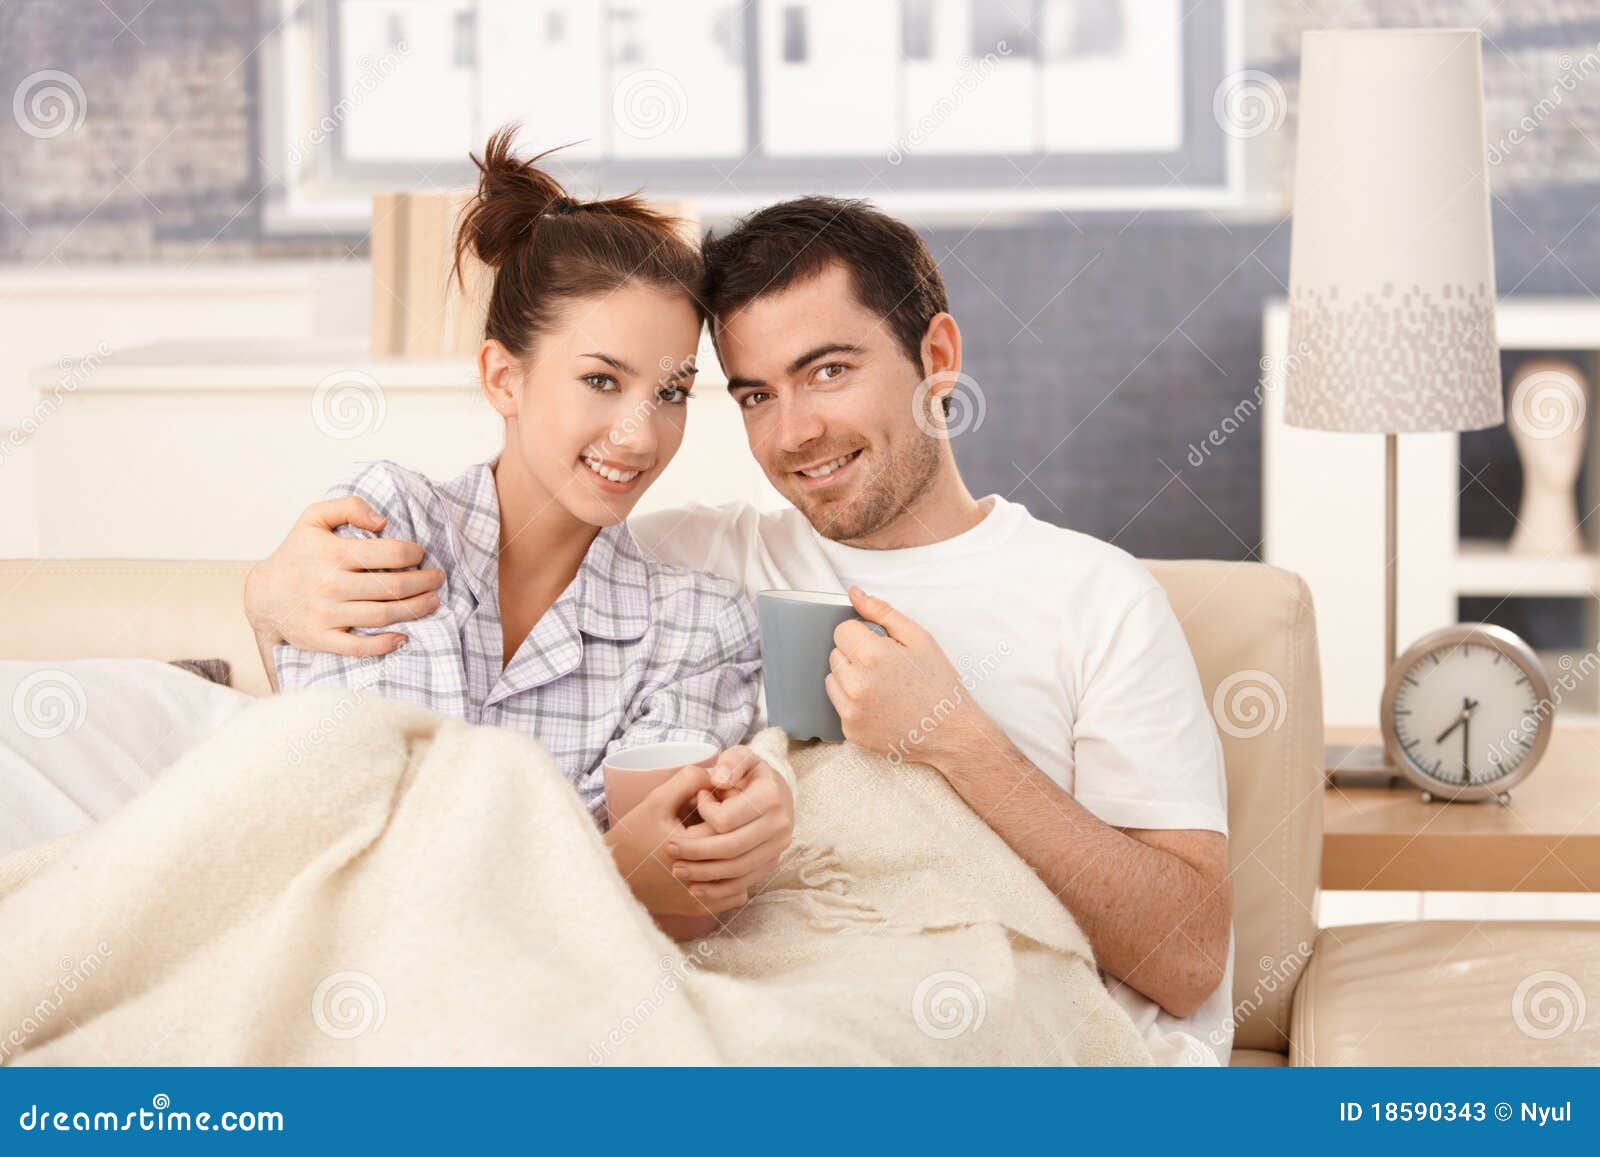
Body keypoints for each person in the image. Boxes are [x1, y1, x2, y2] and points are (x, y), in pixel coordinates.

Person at [246, 195, 1235, 1065]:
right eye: (754, 393)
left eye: (828, 370)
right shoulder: (687, 565)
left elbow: (1188, 958)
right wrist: (266, 593)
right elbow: (511, 538)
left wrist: (954, 740)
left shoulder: (1093, 597)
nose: (792, 432)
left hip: (962, 1017)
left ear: (936, 357)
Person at [264, 127, 795, 932]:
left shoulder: (703, 626)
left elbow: (671, 894)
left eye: (673, 391)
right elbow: (373, 833)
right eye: (600, 380)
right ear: (503, 378)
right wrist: (606, 862)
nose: (638, 435)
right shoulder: (387, 523)